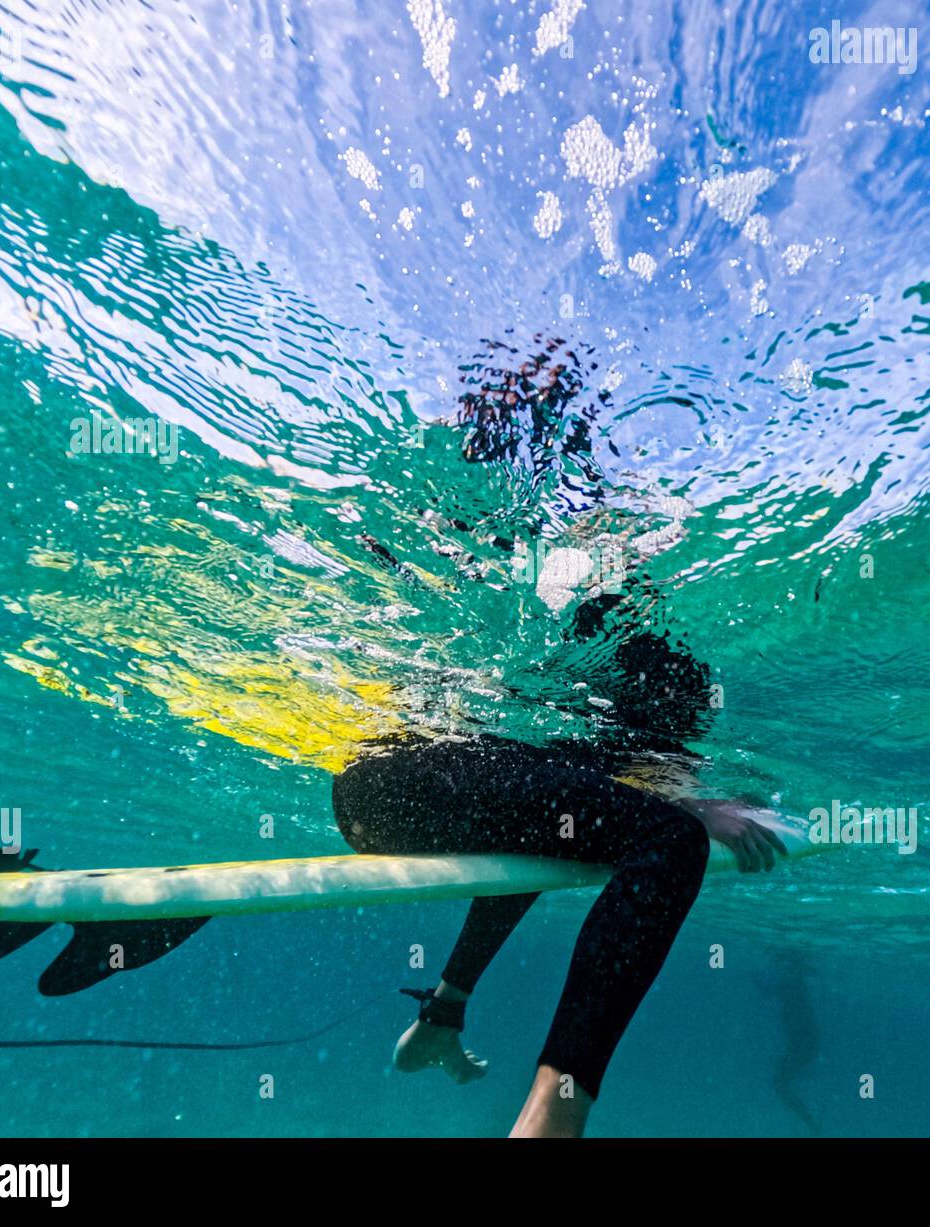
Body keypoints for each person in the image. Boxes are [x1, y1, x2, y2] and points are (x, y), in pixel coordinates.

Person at [331, 337, 788, 1137]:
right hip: (405, 777)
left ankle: (444, 1011)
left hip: (383, 788)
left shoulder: (575, 599)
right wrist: (691, 803)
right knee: (667, 844)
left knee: (566, 821)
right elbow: (604, 756)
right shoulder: (601, 603)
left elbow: (569, 779)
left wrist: (687, 792)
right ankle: (551, 1119)